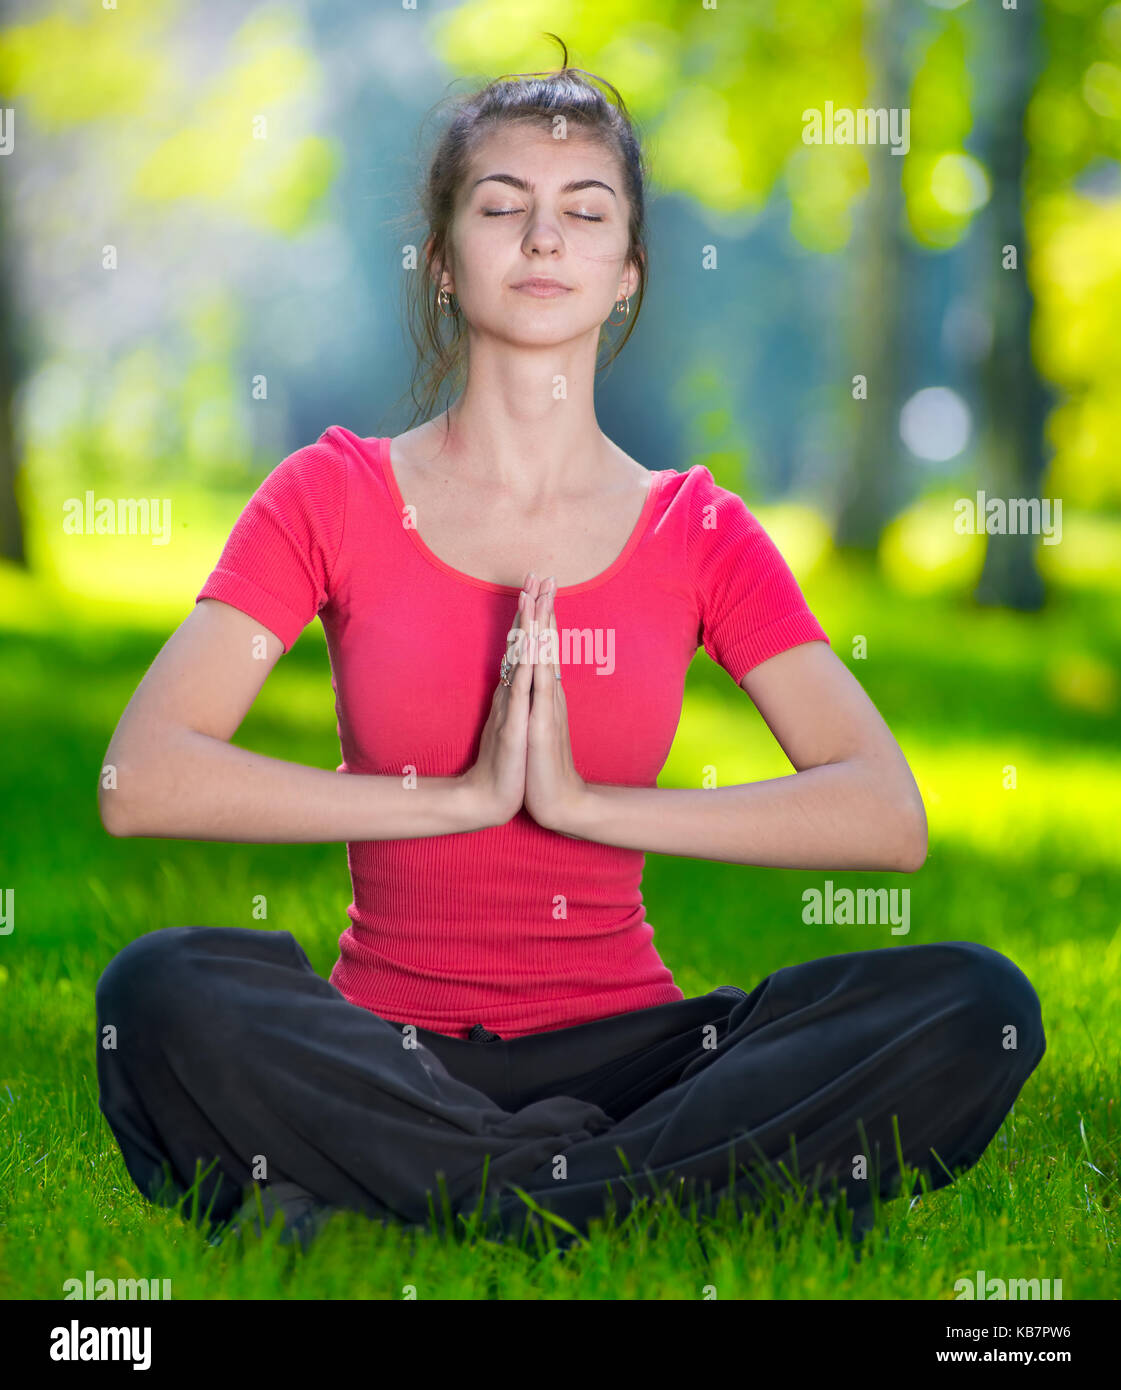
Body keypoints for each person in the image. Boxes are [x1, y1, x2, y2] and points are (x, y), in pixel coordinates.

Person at [94, 41, 1045, 1254]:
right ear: (444, 264)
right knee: (160, 992)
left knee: (975, 1003)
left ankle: (411, 1196)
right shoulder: (328, 493)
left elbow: (881, 816)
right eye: (502, 208)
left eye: (583, 212)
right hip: (391, 1049)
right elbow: (141, 778)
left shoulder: (696, 526)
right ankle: (667, 1192)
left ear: (626, 272)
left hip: (641, 1057)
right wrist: (456, 800)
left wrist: (587, 807)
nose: (544, 239)